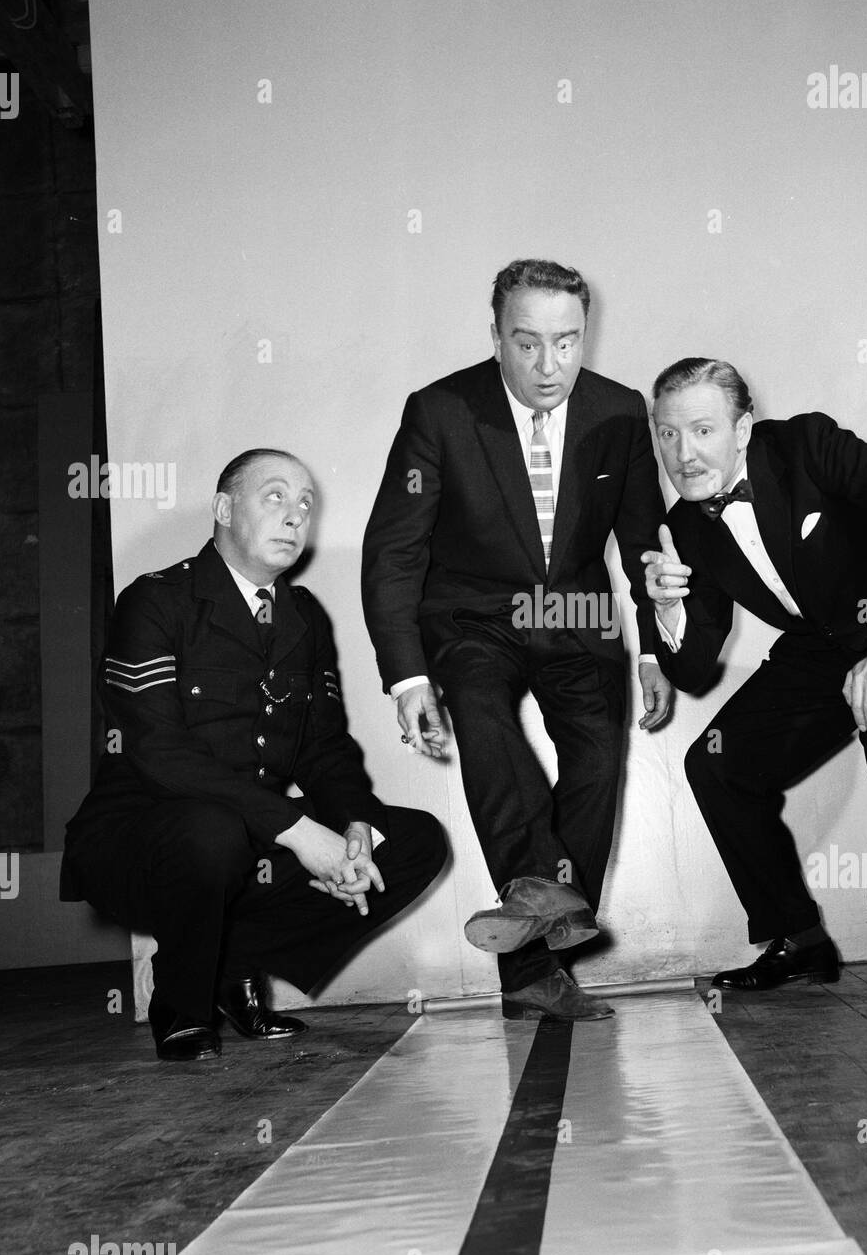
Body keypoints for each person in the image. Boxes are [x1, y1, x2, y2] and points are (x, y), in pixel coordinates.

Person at [61, 449, 447, 1061]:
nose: (295, 517)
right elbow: (160, 753)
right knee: (210, 831)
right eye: (274, 497)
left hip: (252, 837)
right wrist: (299, 831)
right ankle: (182, 1002)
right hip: (141, 835)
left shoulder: (304, 616)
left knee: (414, 840)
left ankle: (232, 965)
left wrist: (352, 827)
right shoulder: (155, 602)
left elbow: (323, 747)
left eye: (304, 505)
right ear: (222, 509)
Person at [361, 258, 670, 1022]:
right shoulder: (438, 411)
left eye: (566, 343)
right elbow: (394, 550)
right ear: (495, 334)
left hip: (571, 612)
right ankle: (541, 897)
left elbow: (641, 542)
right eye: (526, 343)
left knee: (599, 757)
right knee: (483, 717)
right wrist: (406, 677)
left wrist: (655, 651)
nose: (547, 365)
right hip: (472, 613)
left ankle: (535, 959)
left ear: (583, 334)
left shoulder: (619, 411)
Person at [642, 358, 867, 1009]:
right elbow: (693, 672)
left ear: (742, 428)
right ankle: (800, 942)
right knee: (716, 765)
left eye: (701, 430)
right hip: (823, 645)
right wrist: (668, 610)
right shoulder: (687, 529)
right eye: (666, 434)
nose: (682, 454)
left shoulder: (805, 445)